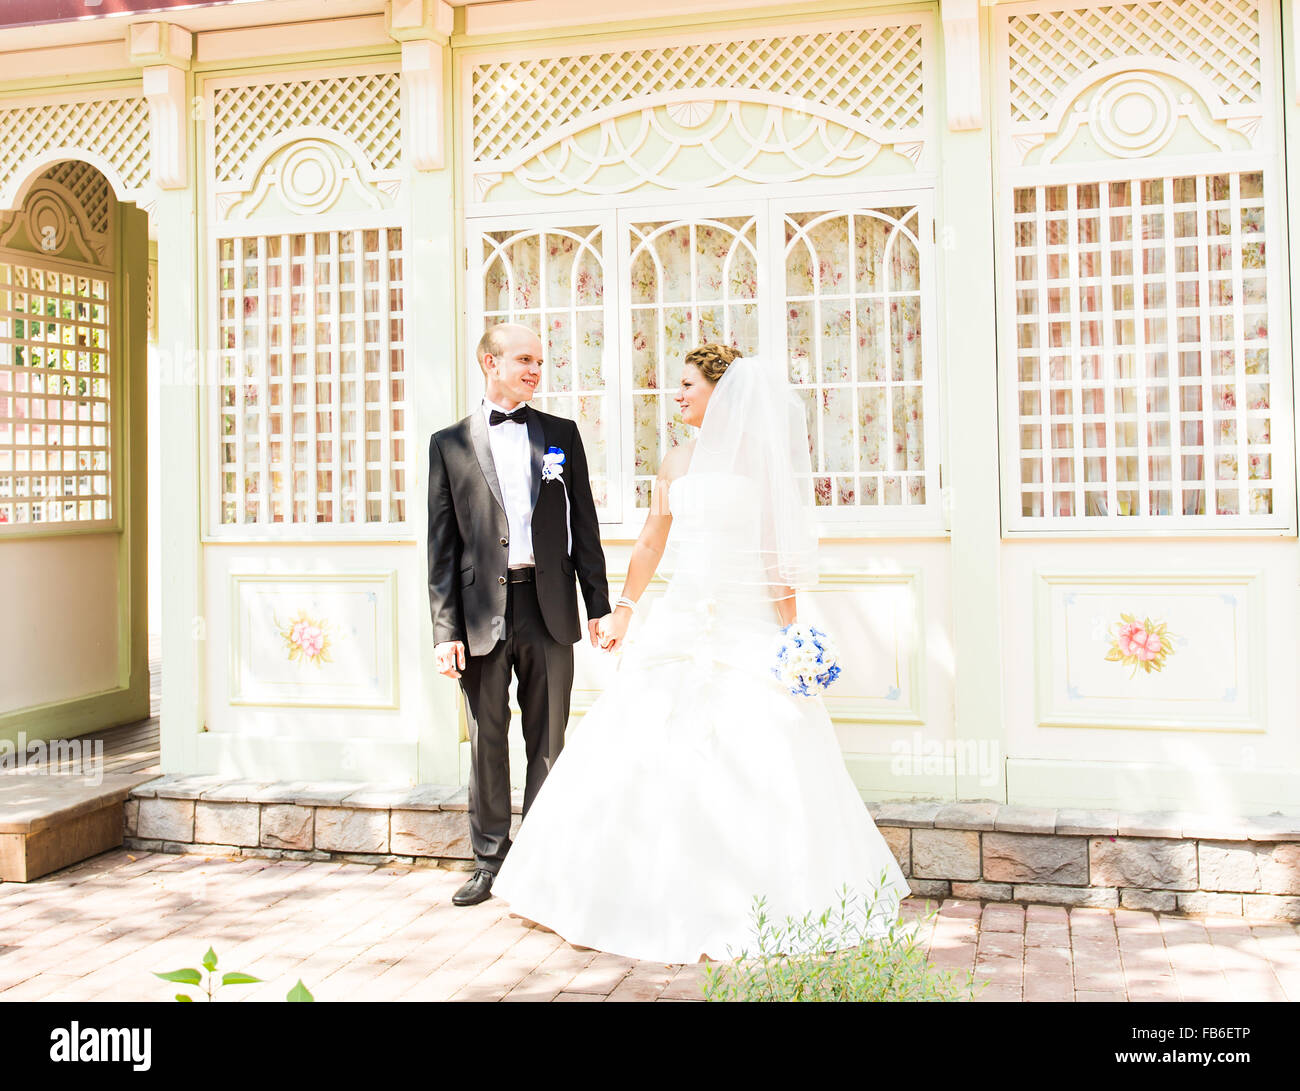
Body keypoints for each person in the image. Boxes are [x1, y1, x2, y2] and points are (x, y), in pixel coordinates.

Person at [491, 343, 911, 963]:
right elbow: (651, 543)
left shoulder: (760, 464)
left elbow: (778, 557)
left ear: (725, 391)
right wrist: (626, 609)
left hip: (747, 624)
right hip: (682, 618)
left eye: (688, 384)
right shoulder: (677, 463)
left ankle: (768, 896)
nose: (678, 395)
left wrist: (793, 634)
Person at [427, 322, 611, 907]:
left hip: (550, 606)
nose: (535, 369)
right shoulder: (448, 444)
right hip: (482, 611)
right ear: (489, 362)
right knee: (486, 736)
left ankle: (543, 858)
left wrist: (599, 606)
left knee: (548, 736)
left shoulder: (561, 435)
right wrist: (445, 630)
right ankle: (488, 860)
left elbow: (585, 525)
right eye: (524, 359)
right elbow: (442, 547)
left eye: (539, 360)